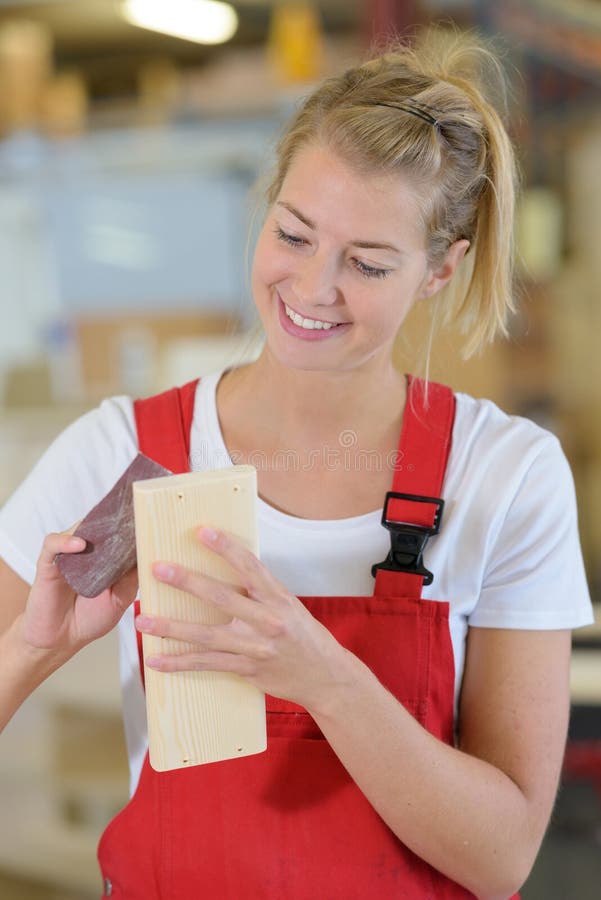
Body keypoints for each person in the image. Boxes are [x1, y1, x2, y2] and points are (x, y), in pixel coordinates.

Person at [0, 27, 594, 900]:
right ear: (268, 203)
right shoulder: (119, 450)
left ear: (439, 270)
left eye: (367, 262)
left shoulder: (505, 475)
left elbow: (500, 854)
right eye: (294, 233)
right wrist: (31, 646)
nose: (314, 289)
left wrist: (322, 678)